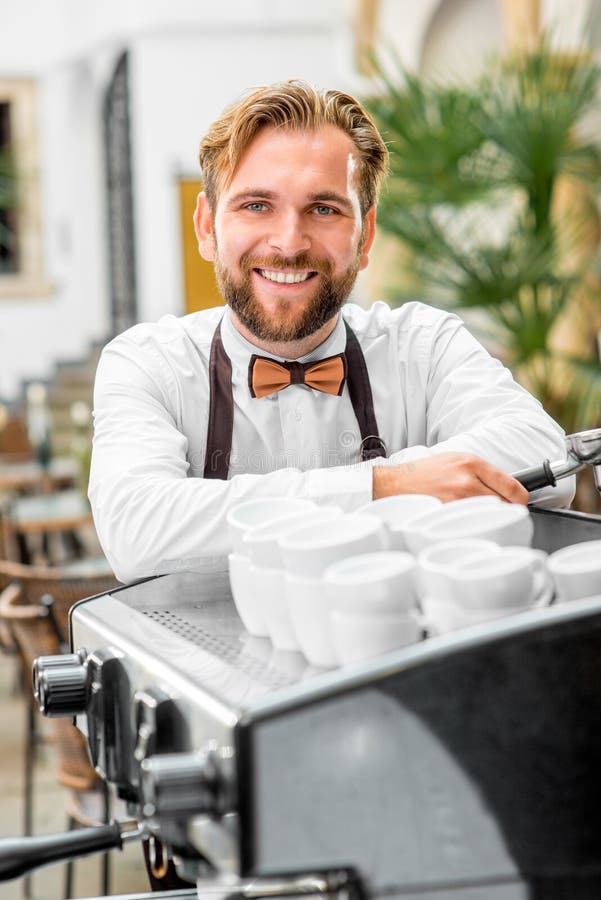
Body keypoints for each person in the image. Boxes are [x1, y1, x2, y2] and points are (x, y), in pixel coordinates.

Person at [89, 80, 573, 584]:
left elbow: (544, 453)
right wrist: (386, 487)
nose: (289, 242)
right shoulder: (147, 362)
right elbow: (137, 532)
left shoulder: (425, 344)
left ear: (365, 237)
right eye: (256, 205)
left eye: (324, 209)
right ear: (207, 227)